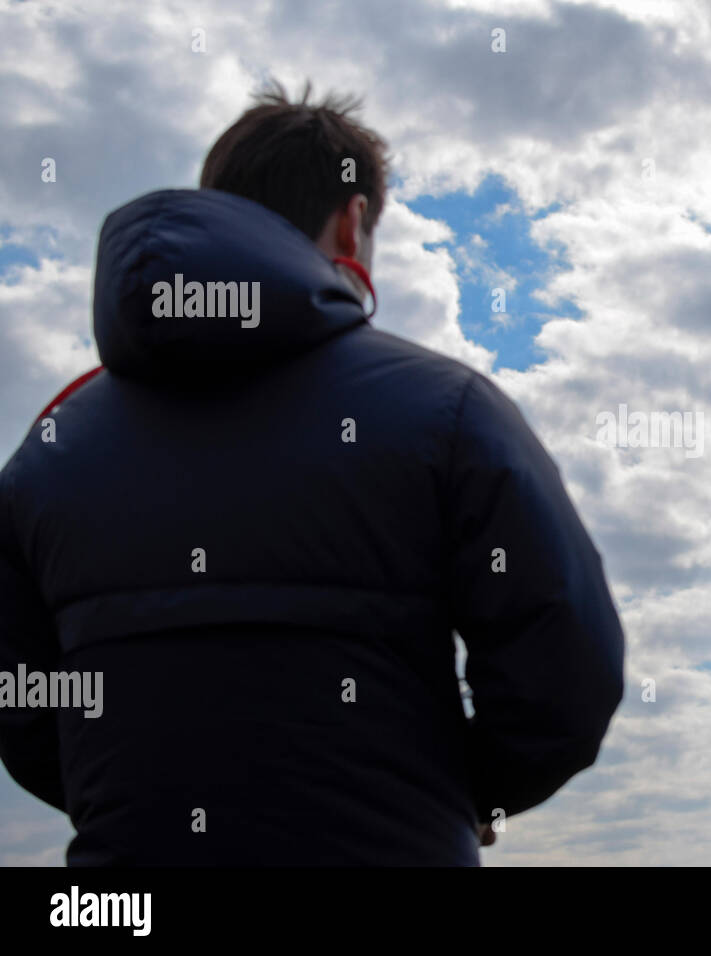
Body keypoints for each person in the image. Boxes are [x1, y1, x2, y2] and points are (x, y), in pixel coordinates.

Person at [0, 79, 625, 865]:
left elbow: (20, 708)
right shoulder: (452, 410)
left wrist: (138, 807)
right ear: (352, 220)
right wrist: (461, 788)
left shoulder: (47, 448)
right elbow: (570, 671)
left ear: (221, 207)